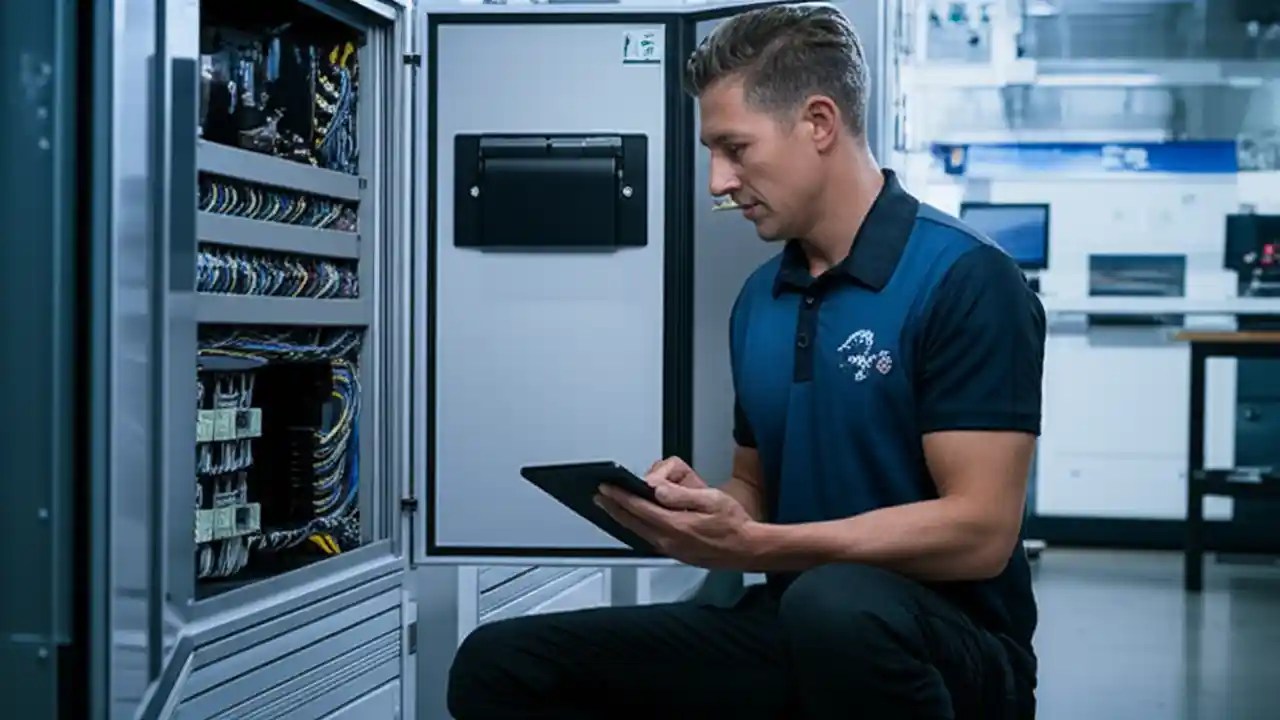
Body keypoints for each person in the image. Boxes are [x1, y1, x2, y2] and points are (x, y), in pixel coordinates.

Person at [446, 4, 1044, 718]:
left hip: (949, 645)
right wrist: (708, 511)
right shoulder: (762, 299)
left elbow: (980, 533)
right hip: (800, 621)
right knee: (501, 664)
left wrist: (759, 546)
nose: (717, 183)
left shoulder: (966, 278)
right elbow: (755, 486)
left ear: (818, 123)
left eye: (735, 148)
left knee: (837, 604)